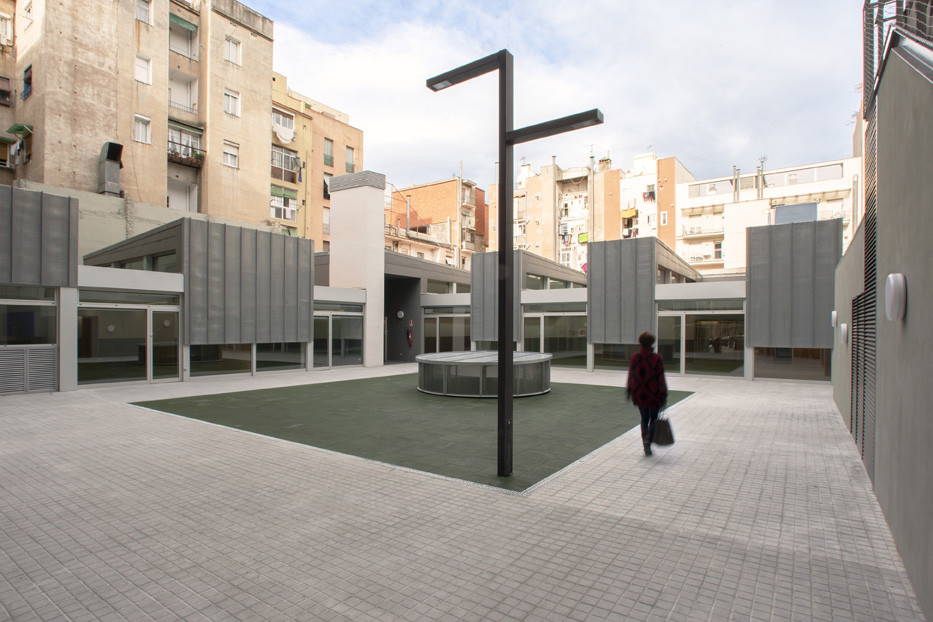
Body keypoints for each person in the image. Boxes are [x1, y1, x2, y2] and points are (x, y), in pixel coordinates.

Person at [626, 330, 668, 456]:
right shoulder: (657, 358)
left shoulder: (635, 357)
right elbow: (660, 377)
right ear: (651, 343)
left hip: (639, 393)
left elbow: (631, 374)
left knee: (644, 419)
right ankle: (648, 440)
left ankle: (645, 443)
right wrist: (663, 393)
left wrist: (629, 389)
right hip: (653, 393)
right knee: (653, 419)